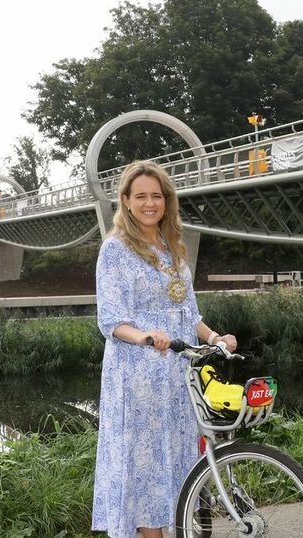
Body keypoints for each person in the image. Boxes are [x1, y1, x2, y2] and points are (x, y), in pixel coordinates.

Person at [91, 160, 238, 538]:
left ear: (167, 200)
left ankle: (176, 524)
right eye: (140, 196)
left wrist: (215, 338)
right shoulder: (116, 250)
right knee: (143, 462)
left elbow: (188, 312)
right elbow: (110, 319)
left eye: (156, 195)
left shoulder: (173, 246)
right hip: (137, 372)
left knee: (177, 456)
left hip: (177, 373)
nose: (149, 203)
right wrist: (143, 336)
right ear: (125, 201)